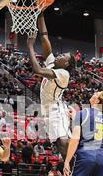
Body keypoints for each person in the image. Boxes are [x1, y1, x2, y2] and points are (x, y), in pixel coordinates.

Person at [26, 12, 76, 159]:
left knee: (63, 144)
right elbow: (45, 37)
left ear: (66, 63)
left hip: (56, 109)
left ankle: (78, 172)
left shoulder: (63, 74)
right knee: (59, 146)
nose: (59, 55)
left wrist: (30, 46)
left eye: (63, 56)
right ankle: (73, 172)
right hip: (48, 109)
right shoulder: (53, 64)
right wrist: (40, 14)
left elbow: (37, 70)